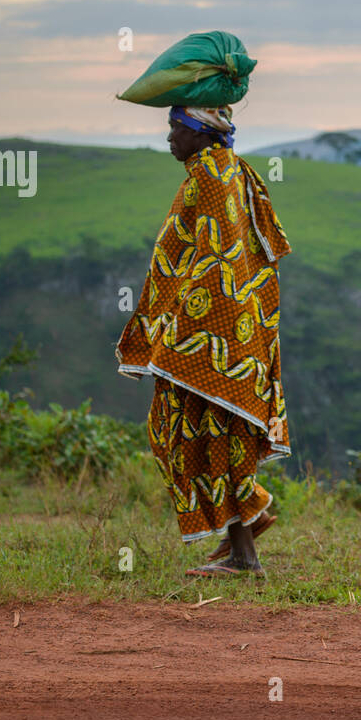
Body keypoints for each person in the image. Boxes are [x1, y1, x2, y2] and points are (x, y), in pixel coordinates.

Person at [115, 105, 291, 577]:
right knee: (210, 435)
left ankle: (245, 547)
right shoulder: (229, 171)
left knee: (195, 432)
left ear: (200, 133)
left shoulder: (211, 177)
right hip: (232, 333)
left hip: (210, 337)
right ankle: (247, 523)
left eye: (177, 129)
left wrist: (182, 333)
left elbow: (216, 261)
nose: (169, 137)